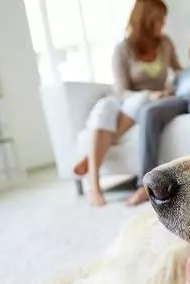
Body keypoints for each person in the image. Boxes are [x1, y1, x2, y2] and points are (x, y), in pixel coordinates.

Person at [73, 0, 181, 206]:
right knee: (104, 107)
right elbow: (121, 91)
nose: (163, 23)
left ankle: (92, 157)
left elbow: (179, 73)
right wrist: (151, 93)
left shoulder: (165, 43)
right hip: (127, 100)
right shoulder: (123, 49)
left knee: (142, 100)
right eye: (159, 19)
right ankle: (94, 186)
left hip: (147, 102)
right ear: (145, 20)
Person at [126, 25, 190, 206]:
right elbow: (172, 89)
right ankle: (144, 184)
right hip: (180, 98)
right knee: (149, 111)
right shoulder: (183, 72)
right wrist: (164, 94)